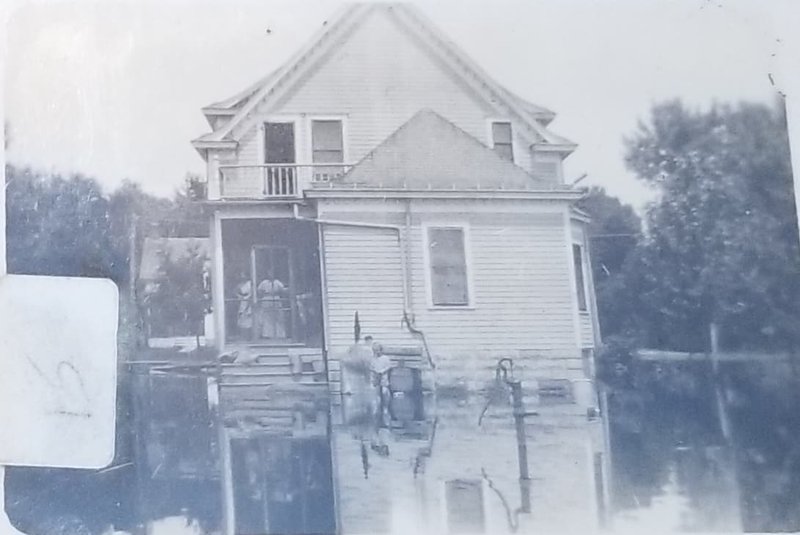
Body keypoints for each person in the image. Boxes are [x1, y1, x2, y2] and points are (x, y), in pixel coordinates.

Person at [257, 268, 287, 339]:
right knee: (267, 317)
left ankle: (279, 334)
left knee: (278, 317)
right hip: (267, 299)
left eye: (272, 273)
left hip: (276, 299)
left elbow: (282, 290)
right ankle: (267, 334)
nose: (270, 274)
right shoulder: (264, 282)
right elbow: (259, 290)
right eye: (269, 273)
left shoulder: (277, 282)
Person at [235, 271, 253, 337]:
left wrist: (248, 297)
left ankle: (250, 335)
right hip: (242, 301)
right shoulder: (239, 285)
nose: (243, 277)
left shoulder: (250, 284)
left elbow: (253, 292)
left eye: (244, 276)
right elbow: (235, 292)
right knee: (241, 316)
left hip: (249, 300)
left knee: (249, 317)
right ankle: (243, 334)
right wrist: (239, 296)